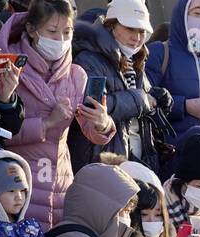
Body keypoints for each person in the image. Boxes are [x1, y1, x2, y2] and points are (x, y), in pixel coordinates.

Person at [0, 0, 115, 226]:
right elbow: (2, 131)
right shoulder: (9, 66)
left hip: (61, 183)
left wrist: (102, 123)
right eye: (52, 31)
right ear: (32, 30)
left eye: (67, 32)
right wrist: (46, 123)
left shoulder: (76, 75)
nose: (60, 40)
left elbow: (90, 130)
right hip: (18, 184)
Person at [68, 0, 167, 170]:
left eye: (142, 31)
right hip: (103, 161)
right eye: (130, 28)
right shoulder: (88, 59)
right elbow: (91, 107)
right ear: (111, 25)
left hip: (135, 159)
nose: (136, 37)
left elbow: (142, 107)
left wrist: (159, 99)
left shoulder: (136, 59)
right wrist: (142, 99)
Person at [143, 0, 200, 143]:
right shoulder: (159, 52)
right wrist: (185, 106)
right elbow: (145, 100)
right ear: (182, 14)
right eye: (196, 13)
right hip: (170, 151)